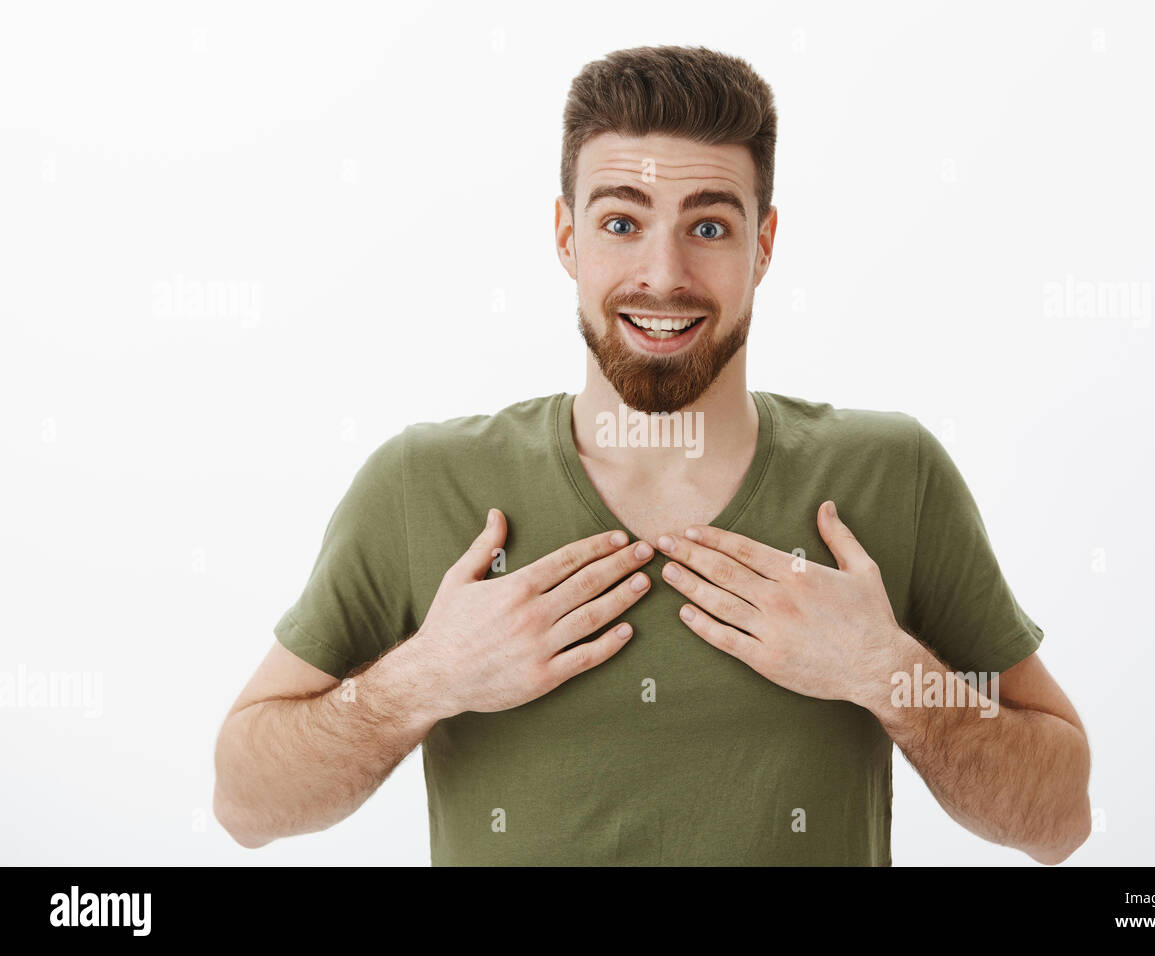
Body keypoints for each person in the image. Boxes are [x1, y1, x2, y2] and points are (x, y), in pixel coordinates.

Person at [213, 44, 1091, 866]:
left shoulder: (890, 475)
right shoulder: (424, 483)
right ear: (567, 237)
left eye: (708, 227)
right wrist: (422, 680)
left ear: (766, 244)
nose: (663, 274)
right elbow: (245, 803)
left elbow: (1059, 819)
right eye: (622, 222)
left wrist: (887, 673)